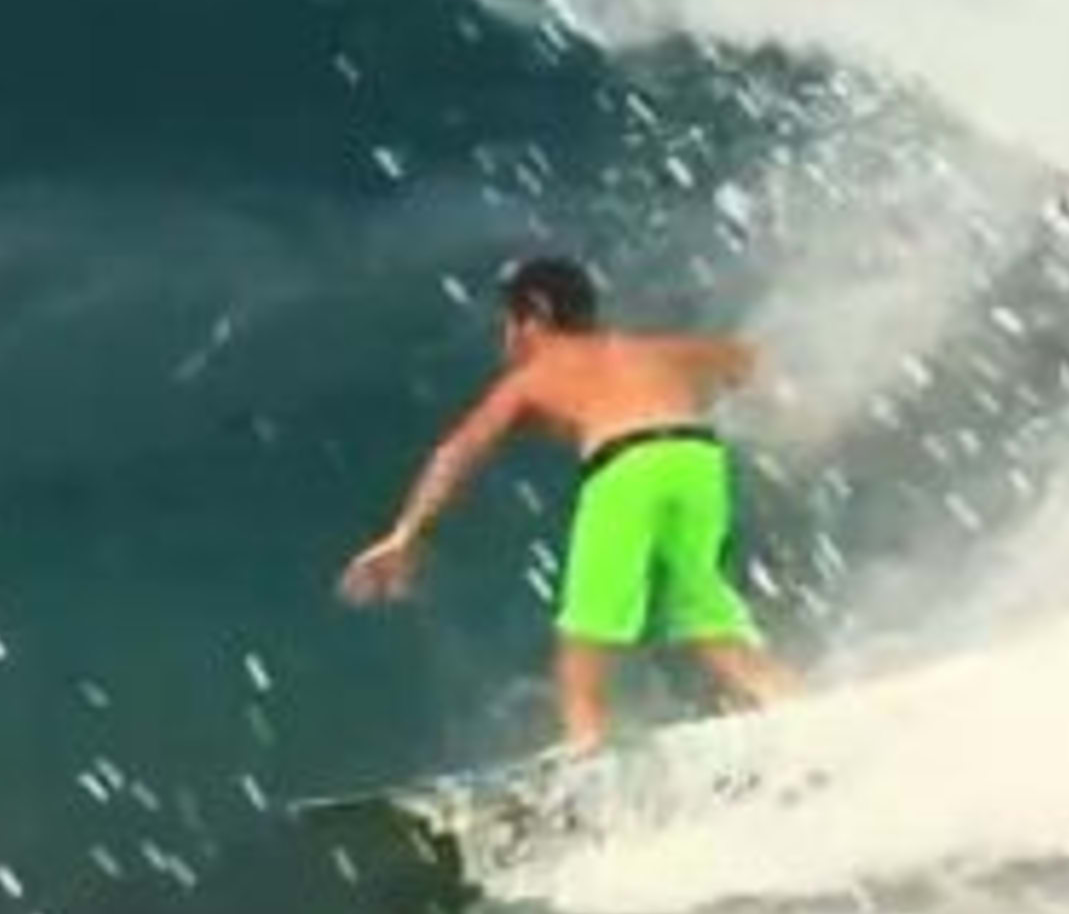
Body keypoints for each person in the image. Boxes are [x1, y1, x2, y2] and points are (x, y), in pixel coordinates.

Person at [338, 253, 793, 751]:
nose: (506, 338)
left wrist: (405, 532)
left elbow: (459, 450)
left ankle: (585, 744)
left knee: (584, 633)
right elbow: (751, 360)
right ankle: (789, 702)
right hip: (697, 460)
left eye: (508, 323)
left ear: (532, 317)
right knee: (705, 615)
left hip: (626, 470)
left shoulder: (532, 378)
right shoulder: (659, 351)